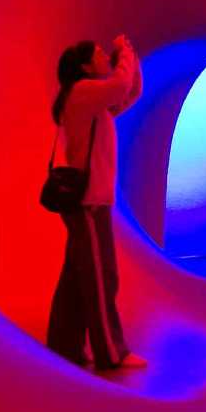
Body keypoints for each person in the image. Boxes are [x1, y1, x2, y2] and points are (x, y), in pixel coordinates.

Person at [46, 35, 145, 372]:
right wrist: (126, 52)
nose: (105, 55)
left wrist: (129, 58)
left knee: (77, 276)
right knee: (103, 277)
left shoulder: (89, 99)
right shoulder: (84, 91)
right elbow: (120, 85)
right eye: (100, 54)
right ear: (86, 66)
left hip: (90, 201)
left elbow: (128, 93)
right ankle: (111, 352)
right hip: (88, 203)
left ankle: (63, 346)